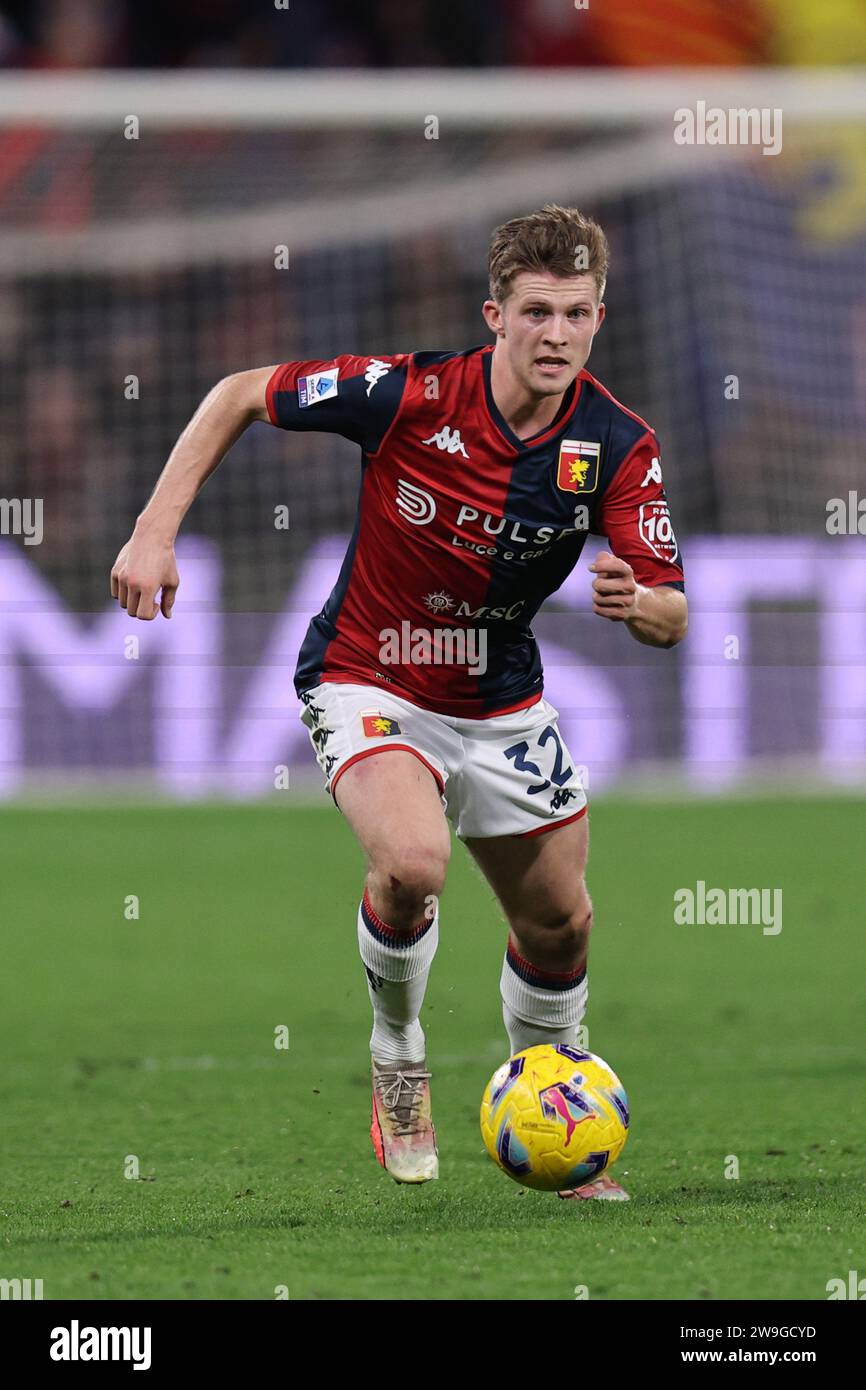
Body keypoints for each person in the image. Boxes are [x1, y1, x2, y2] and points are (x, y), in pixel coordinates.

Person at [110, 204, 687, 1201]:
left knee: (560, 922)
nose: (555, 334)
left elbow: (674, 610)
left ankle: (549, 1098)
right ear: (493, 315)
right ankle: (396, 1055)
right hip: (368, 671)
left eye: (576, 313)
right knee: (412, 863)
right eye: (535, 312)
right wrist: (152, 532)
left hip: (500, 698)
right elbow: (241, 392)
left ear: (599, 317)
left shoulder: (617, 446)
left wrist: (639, 603)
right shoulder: (409, 393)